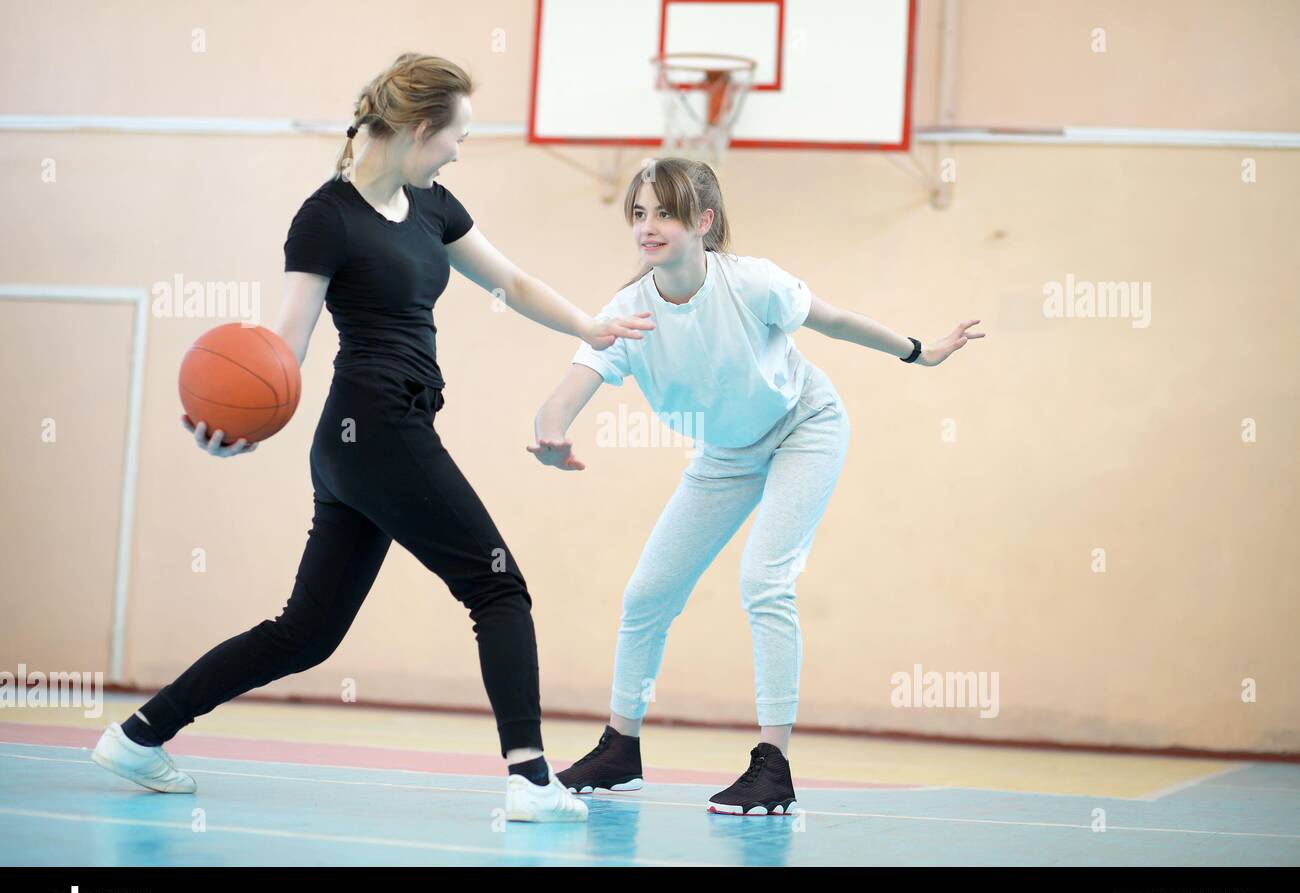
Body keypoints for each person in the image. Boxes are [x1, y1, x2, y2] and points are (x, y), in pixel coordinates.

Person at [91, 52, 653, 824]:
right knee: (497, 587)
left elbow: (512, 283)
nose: (460, 149)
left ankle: (139, 734)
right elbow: (284, 349)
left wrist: (592, 325)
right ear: (421, 129)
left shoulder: (433, 205)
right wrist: (235, 430)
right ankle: (530, 781)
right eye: (457, 134)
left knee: (307, 632)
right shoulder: (327, 216)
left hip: (380, 438)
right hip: (374, 429)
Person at [528, 157, 983, 814]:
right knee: (647, 594)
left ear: (703, 221)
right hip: (725, 454)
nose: (647, 227)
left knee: (764, 581)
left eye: (664, 212)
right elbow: (563, 397)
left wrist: (919, 350)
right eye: (638, 213)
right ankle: (620, 749)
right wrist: (550, 436)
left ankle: (774, 765)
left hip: (805, 426)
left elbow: (833, 319)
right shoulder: (628, 314)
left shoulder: (752, 283)